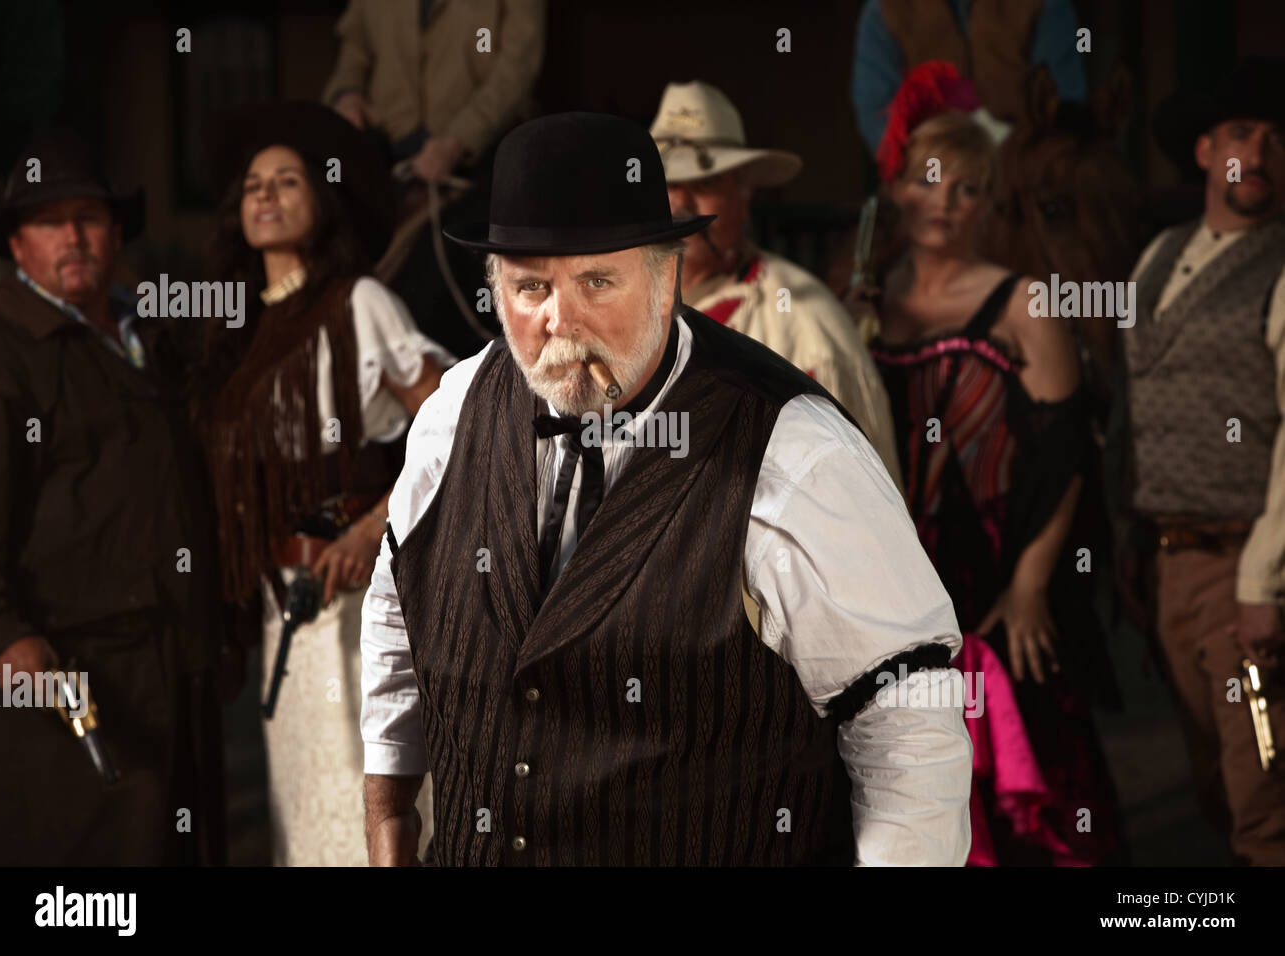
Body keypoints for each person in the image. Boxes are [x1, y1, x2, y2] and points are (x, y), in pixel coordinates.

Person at [359, 111, 973, 867]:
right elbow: (397, 611)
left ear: (665, 277)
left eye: (596, 281)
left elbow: (909, 719)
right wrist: (389, 829)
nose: (561, 319)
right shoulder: (452, 416)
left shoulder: (795, 451)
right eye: (528, 287)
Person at [864, 66, 1124, 865]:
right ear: (899, 188)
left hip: (994, 569)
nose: (945, 202)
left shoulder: (1026, 302)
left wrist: (1032, 584)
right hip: (890, 574)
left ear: (987, 202)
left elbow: (1066, 453)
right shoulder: (863, 303)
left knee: (1035, 794)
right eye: (929, 181)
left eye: (969, 188)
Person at [199, 102, 455, 866]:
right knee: (304, 814)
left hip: (358, 600)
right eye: (252, 186)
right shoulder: (237, 335)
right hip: (287, 610)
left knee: (367, 806)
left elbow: (455, 427)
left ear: (323, 199)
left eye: (287, 181)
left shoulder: (360, 303)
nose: (266, 195)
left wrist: (374, 524)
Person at [0, 131, 227, 864]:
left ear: (115, 232)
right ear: (17, 246)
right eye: (49, 221)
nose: (72, 236)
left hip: (174, 658)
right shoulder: (2, 350)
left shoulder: (151, 332)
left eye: (87, 217)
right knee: (86, 882)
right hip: (69, 668)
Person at [1119, 58, 1285, 865]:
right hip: (1166, 563)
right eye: (1243, 133)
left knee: (1265, 803)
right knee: (1213, 790)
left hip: (1244, 562)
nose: (1259, 153)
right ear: (1205, 150)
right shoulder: (1159, 252)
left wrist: (1262, 585)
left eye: (1280, 139)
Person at [652, 80, 903, 489]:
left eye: (705, 184)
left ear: (744, 190)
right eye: (668, 184)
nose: (681, 205)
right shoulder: (615, 310)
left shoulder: (807, 325)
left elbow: (854, 500)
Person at [323, 0, 547, 359]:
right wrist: (345, 94)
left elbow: (517, 64)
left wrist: (459, 141)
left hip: (485, 163)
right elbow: (354, 49)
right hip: (389, 163)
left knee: (447, 290)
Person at [850, 0, 1087, 154]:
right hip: (929, 174)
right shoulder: (885, 10)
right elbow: (878, 116)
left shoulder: (1048, 6)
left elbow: (1064, 108)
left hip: (1020, 176)